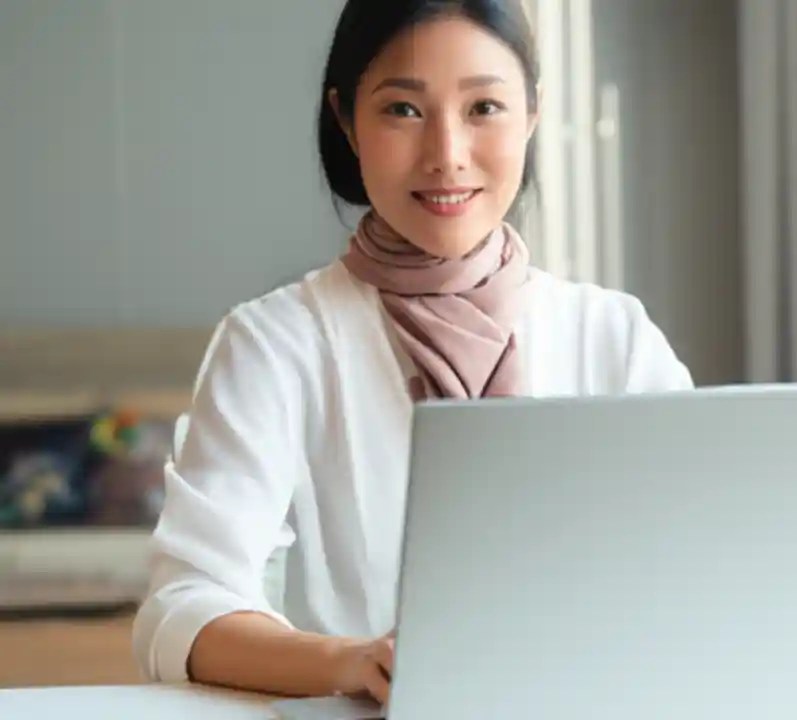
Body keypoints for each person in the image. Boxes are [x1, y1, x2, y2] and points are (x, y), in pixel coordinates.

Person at [132, 0, 691, 703]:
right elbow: (182, 610)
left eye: (484, 107)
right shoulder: (275, 345)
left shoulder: (614, 338)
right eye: (403, 110)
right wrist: (351, 664)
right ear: (346, 120)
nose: (447, 154)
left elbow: (699, 560)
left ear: (533, 114)